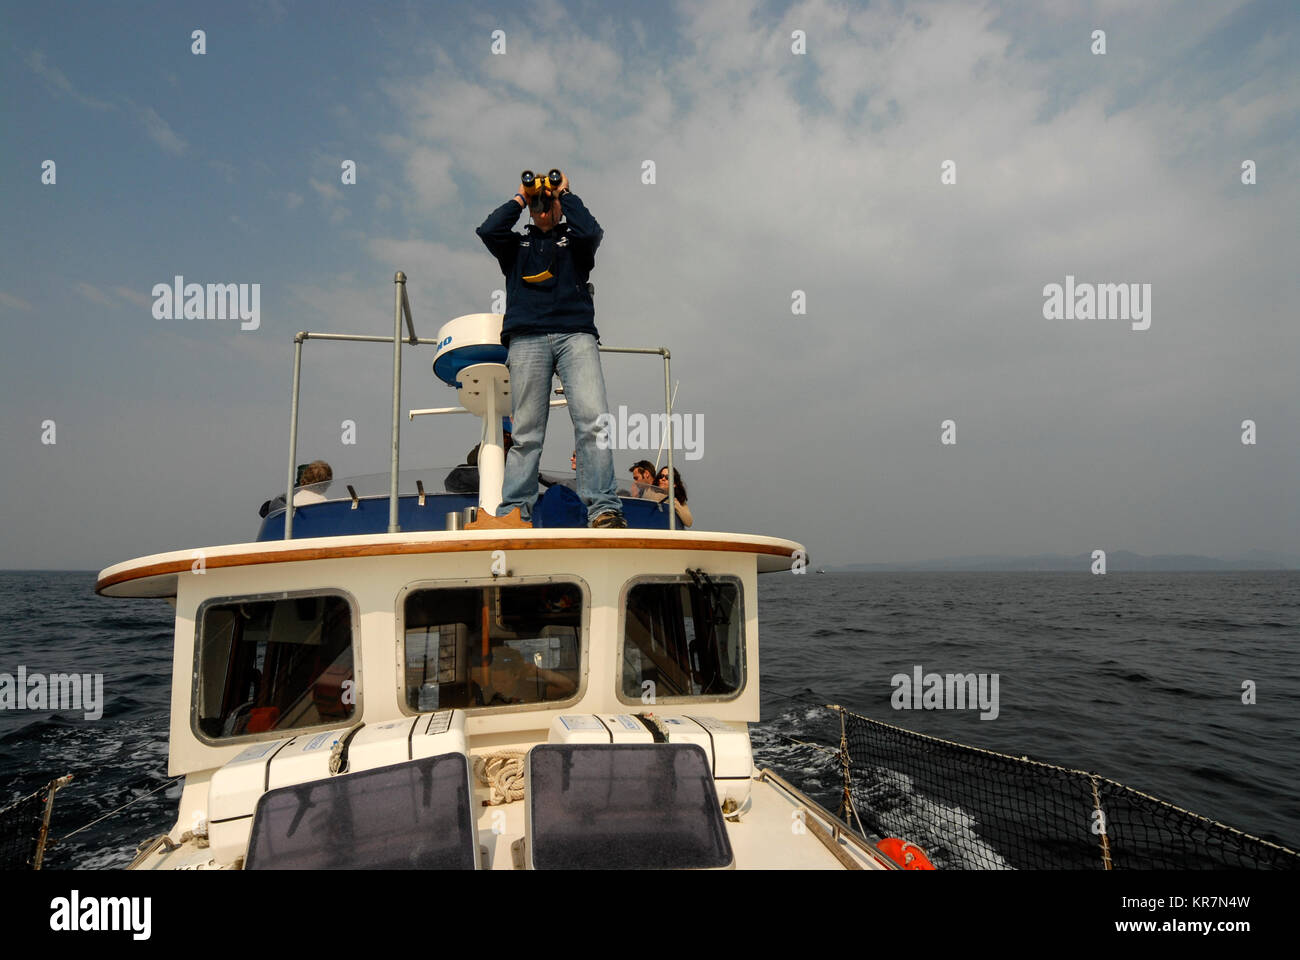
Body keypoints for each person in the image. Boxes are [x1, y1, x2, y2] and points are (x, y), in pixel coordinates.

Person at [470, 170, 626, 529]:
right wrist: (522, 196)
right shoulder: (514, 247)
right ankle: (513, 513)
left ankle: (603, 509)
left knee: (593, 422)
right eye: (538, 204)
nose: (543, 208)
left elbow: (591, 230)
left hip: (576, 336)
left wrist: (565, 193)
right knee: (525, 432)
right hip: (526, 337)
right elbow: (489, 230)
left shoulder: (575, 243)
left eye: (548, 202)